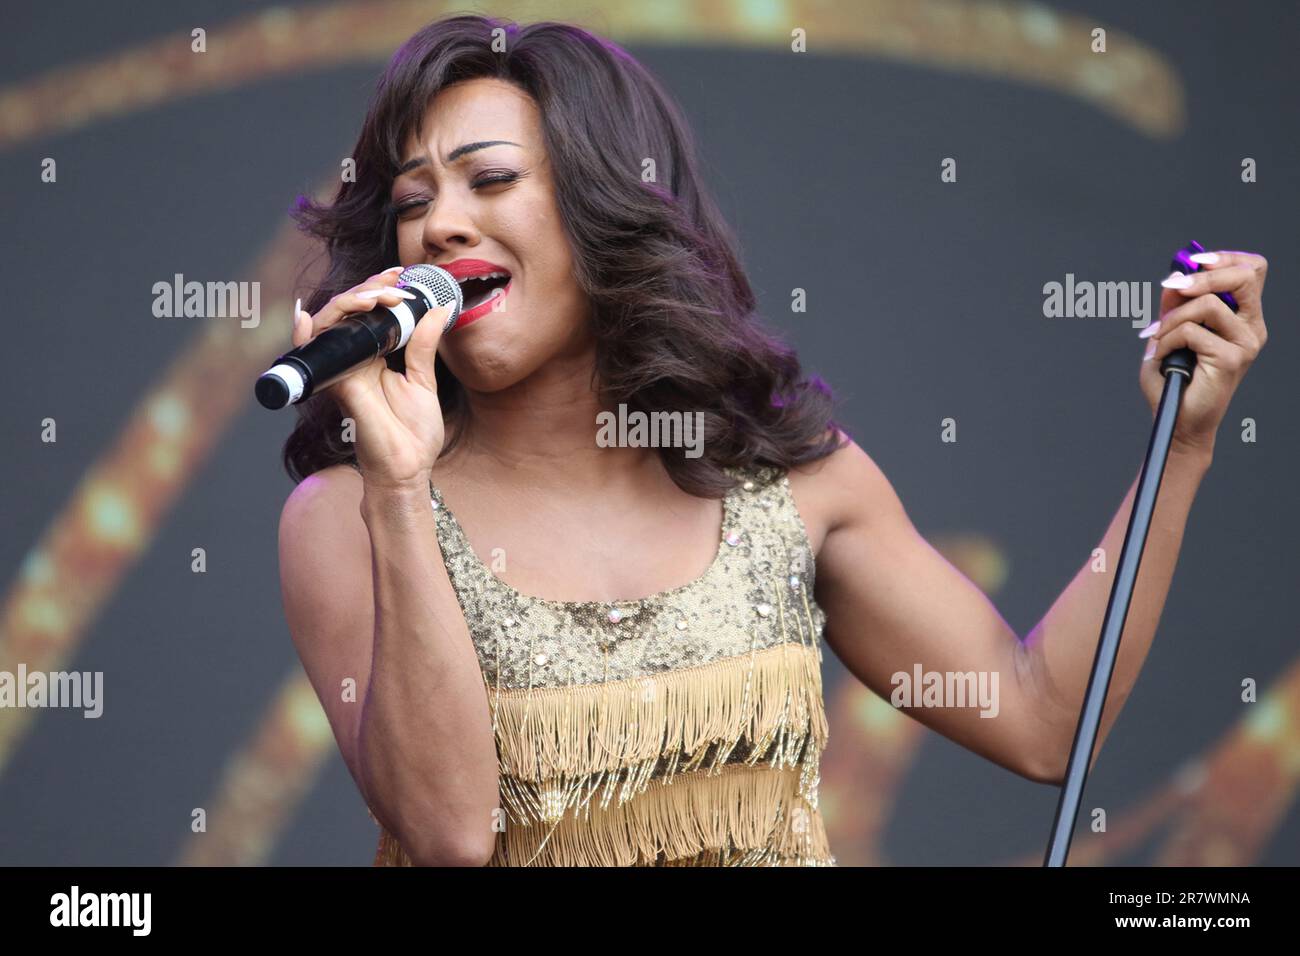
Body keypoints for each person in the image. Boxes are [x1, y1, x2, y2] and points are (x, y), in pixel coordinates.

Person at [275, 14, 1269, 867]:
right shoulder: (351, 516)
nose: (441, 225)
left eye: (489, 179)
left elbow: (1044, 719)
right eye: (412, 202)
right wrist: (399, 487)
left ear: (603, 203)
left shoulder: (788, 481)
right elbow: (449, 834)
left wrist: (1179, 449)